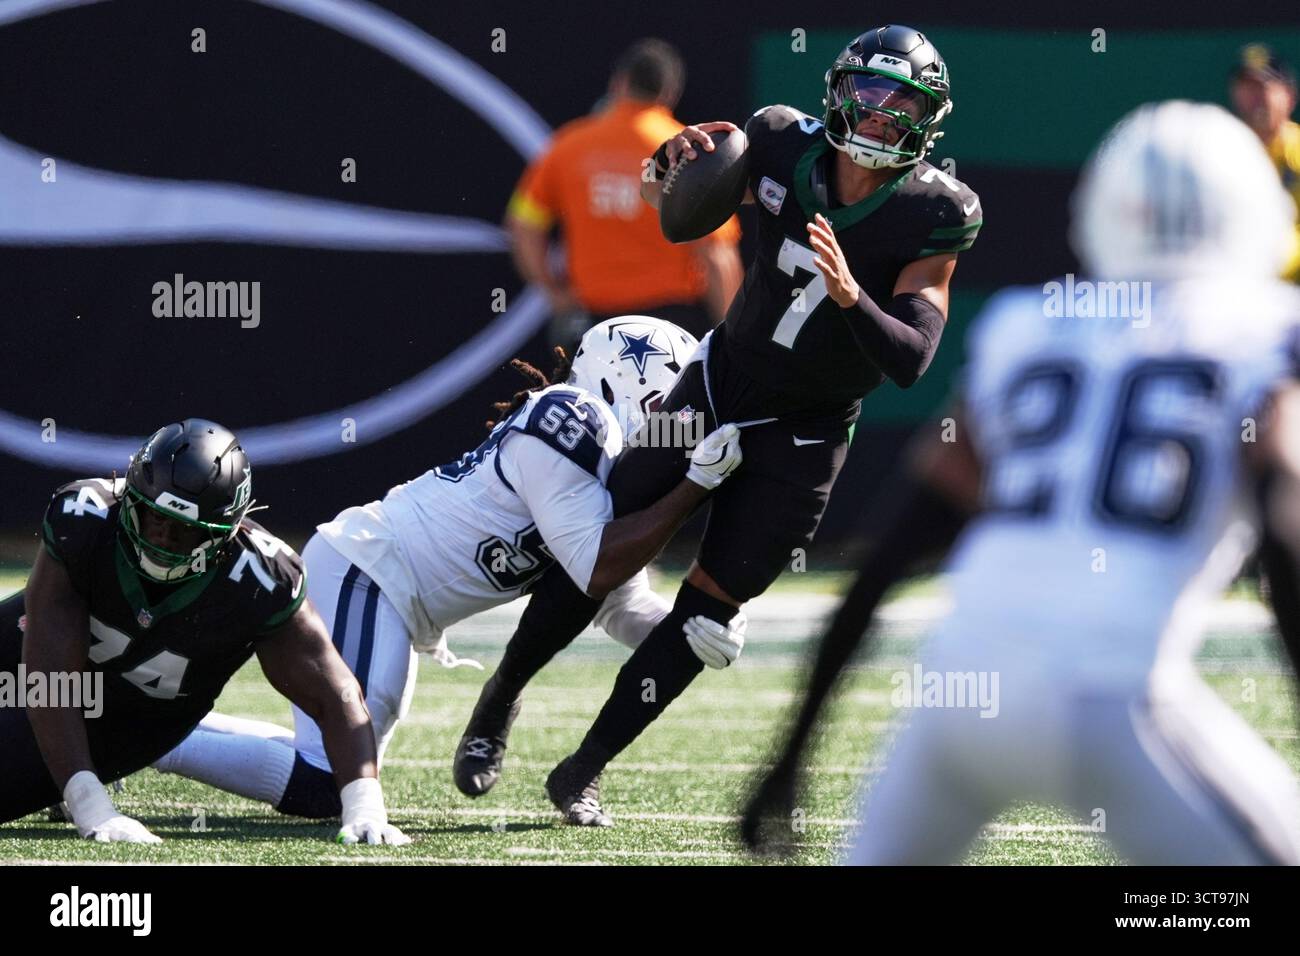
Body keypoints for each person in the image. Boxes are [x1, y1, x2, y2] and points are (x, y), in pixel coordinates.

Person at [742, 101, 1300, 865]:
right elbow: (1287, 534)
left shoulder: (1029, 329)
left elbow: (890, 552)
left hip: (963, 695)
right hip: (1116, 699)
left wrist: (792, 749)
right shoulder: (1269, 336)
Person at [460, 24, 982, 826]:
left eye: (900, 104)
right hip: (715, 384)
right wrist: (664, 172)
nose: (880, 116)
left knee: (710, 607)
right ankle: (501, 698)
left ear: (928, 118)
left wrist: (851, 296)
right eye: (870, 97)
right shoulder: (777, 142)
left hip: (806, 430)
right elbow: (676, 215)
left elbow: (912, 357)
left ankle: (585, 768)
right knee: (598, 541)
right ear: (840, 93)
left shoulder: (935, 211)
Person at [153, 317, 749, 817]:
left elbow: (622, 606)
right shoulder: (573, 419)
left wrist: (695, 628)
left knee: (336, 776)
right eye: (668, 405)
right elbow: (594, 569)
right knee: (332, 782)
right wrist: (695, 485)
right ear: (626, 382)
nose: (676, 425)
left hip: (392, 596)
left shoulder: (605, 464)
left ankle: (134, 735)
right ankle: (130, 739)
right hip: (369, 570)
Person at [0, 419, 408, 845]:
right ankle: (66, 780)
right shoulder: (85, 520)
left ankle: (61, 774)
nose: (160, 540)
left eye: (183, 532)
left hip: (128, 722)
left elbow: (335, 693)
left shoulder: (260, 579)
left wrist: (365, 805)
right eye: (151, 518)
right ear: (129, 497)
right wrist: (91, 806)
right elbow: (48, 679)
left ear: (227, 532)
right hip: (36, 665)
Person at [506, 38, 743, 347]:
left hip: (593, 326)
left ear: (618, 83)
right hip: (670, 326)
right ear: (670, 93)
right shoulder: (686, 152)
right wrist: (732, 339)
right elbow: (715, 254)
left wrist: (555, 294)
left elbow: (523, 226)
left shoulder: (568, 145)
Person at [1229, 43, 1300, 282]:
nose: (1256, 98)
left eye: (1264, 87)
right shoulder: (1221, 151)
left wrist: (1284, 258)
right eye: (1247, 88)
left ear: (1289, 96)